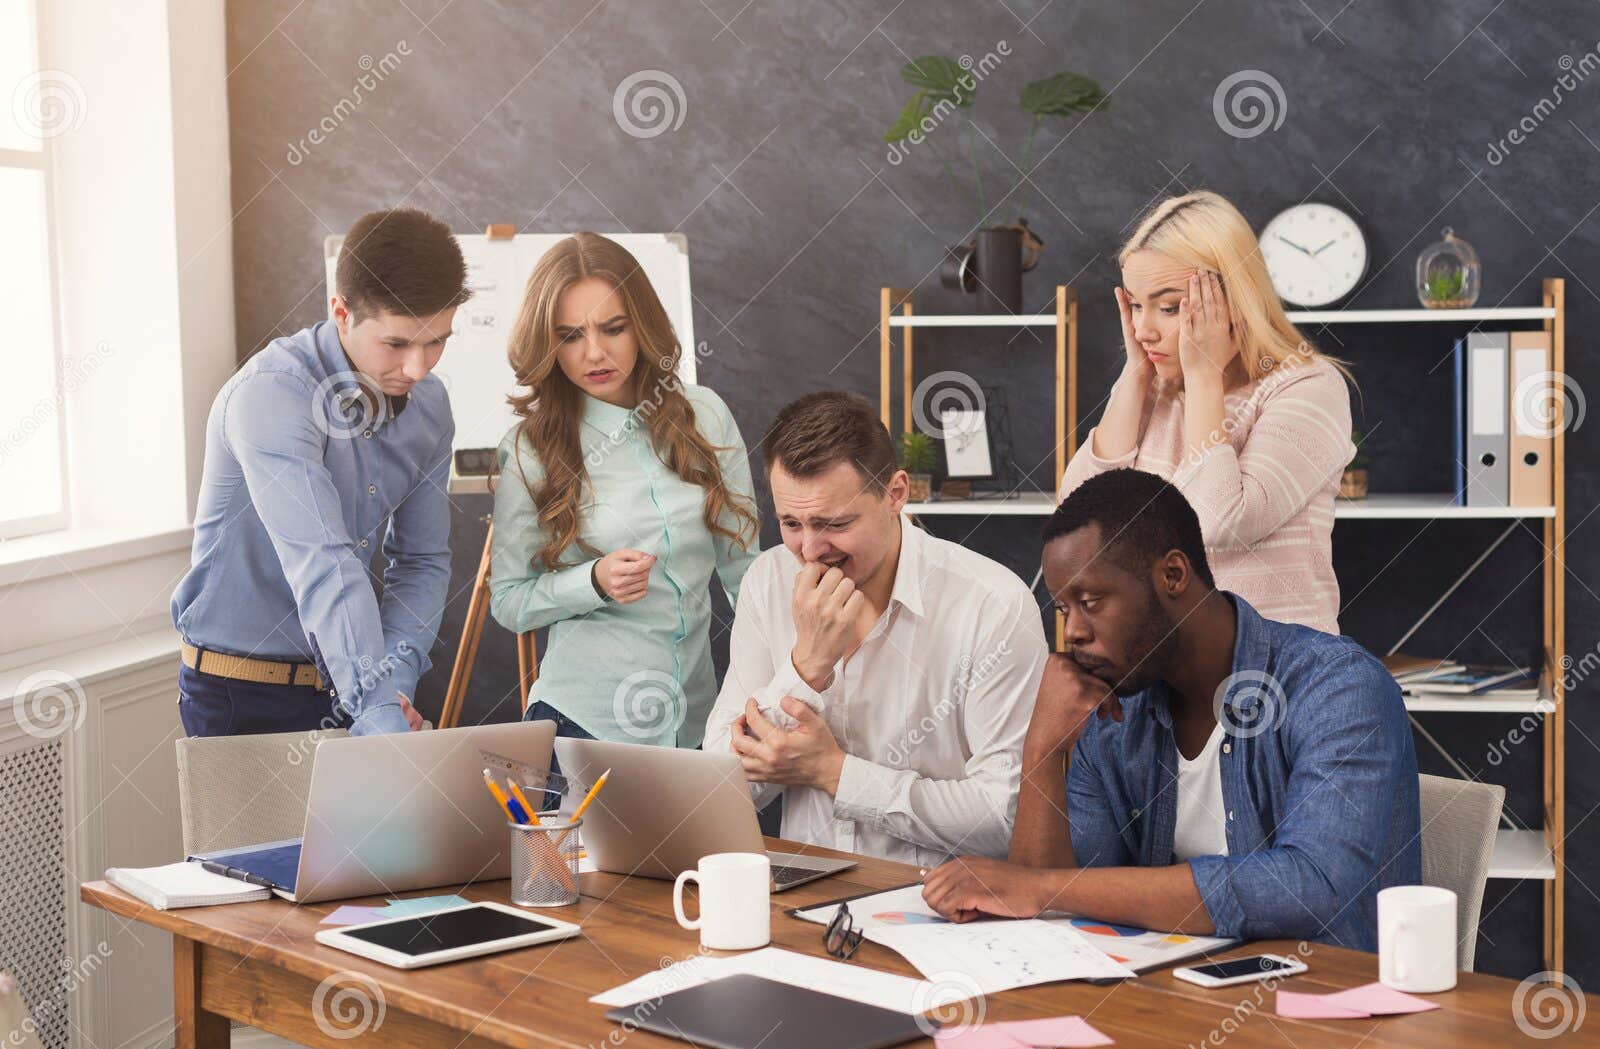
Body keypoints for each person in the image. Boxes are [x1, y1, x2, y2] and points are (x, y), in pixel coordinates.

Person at [922, 468, 1421, 951]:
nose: (1072, 631)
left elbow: (1309, 887)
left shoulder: (1337, 686)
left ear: (1174, 575)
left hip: (1326, 1013)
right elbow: (1052, 907)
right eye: (1063, 608)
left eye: (1091, 600)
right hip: (1165, 1006)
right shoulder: (1115, 712)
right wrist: (1043, 751)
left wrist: (1045, 889)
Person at [703, 390, 1048, 867]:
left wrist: (837, 775)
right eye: (791, 523)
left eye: (834, 523)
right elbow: (722, 788)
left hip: (936, 914)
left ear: (895, 494)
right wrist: (807, 669)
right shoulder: (768, 581)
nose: (809, 550)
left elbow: (1005, 816)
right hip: (800, 903)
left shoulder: (995, 606)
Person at [172, 207, 466, 738]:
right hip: (239, 692)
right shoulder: (272, 394)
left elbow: (421, 560)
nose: (419, 368)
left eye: (437, 340)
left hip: (358, 681)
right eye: (397, 343)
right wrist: (376, 708)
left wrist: (391, 684)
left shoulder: (430, 405)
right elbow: (324, 562)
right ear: (342, 311)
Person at [490, 232, 759, 803]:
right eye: (569, 336)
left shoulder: (705, 415)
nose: (594, 353)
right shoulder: (530, 448)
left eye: (612, 328)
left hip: (697, 726)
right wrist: (591, 582)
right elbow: (509, 600)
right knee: (583, 894)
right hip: (583, 727)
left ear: (642, 325)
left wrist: (782, 686)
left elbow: (746, 573)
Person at [1060, 190, 1355, 635]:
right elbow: (1077, 523)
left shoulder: (1309, 388)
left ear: (1235, 300)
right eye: (1137, 305)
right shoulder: (1151, 389)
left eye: (1169, 306)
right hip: (1167, 674)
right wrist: (1134, 376)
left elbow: (1220, 524)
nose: (1144, 329)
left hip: (1279, 673)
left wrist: (1204, 380)